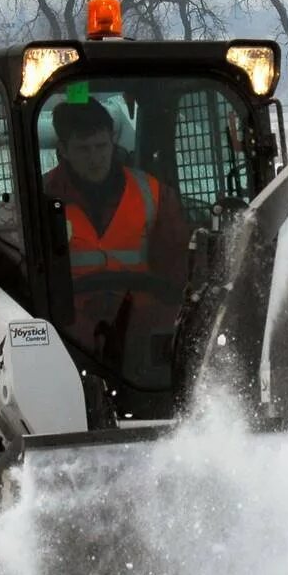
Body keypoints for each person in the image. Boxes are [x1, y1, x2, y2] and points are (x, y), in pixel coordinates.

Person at [42, 96, 189, 371]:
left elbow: (177, 266)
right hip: (69, 331)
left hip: (141, 322)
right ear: (63, 149)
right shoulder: (40, 198)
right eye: (83, 149)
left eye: (101, 146)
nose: (95, 158)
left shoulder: (153, 194)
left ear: (112, 140)